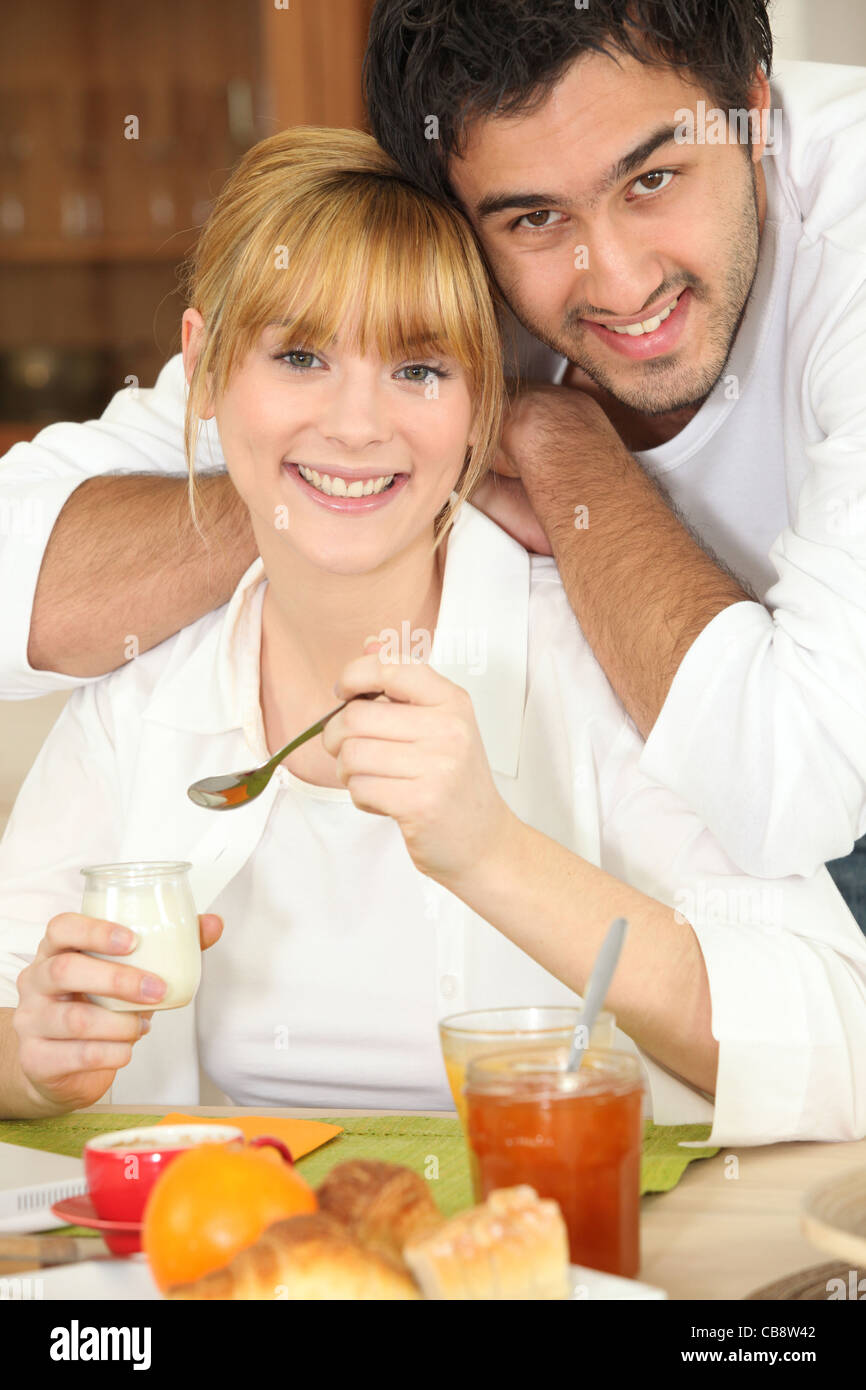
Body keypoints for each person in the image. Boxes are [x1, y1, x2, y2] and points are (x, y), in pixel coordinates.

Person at [1, 127, 864, 1144]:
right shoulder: (147, 679)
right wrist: (30, 1055)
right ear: (202, 370)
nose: (356, 424)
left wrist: (491, 851)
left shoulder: (579, 652)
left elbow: (838, 1048)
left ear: (479, 402)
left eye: (416, 369)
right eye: (299, 356)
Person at [361, 0, 866, 924]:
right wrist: (334, 481)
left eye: (653, 180)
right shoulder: (445, 253)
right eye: (537, 220)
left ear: (754, 112)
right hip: (661, 826)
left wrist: (558, 445)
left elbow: (794, 795)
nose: (624, 285)